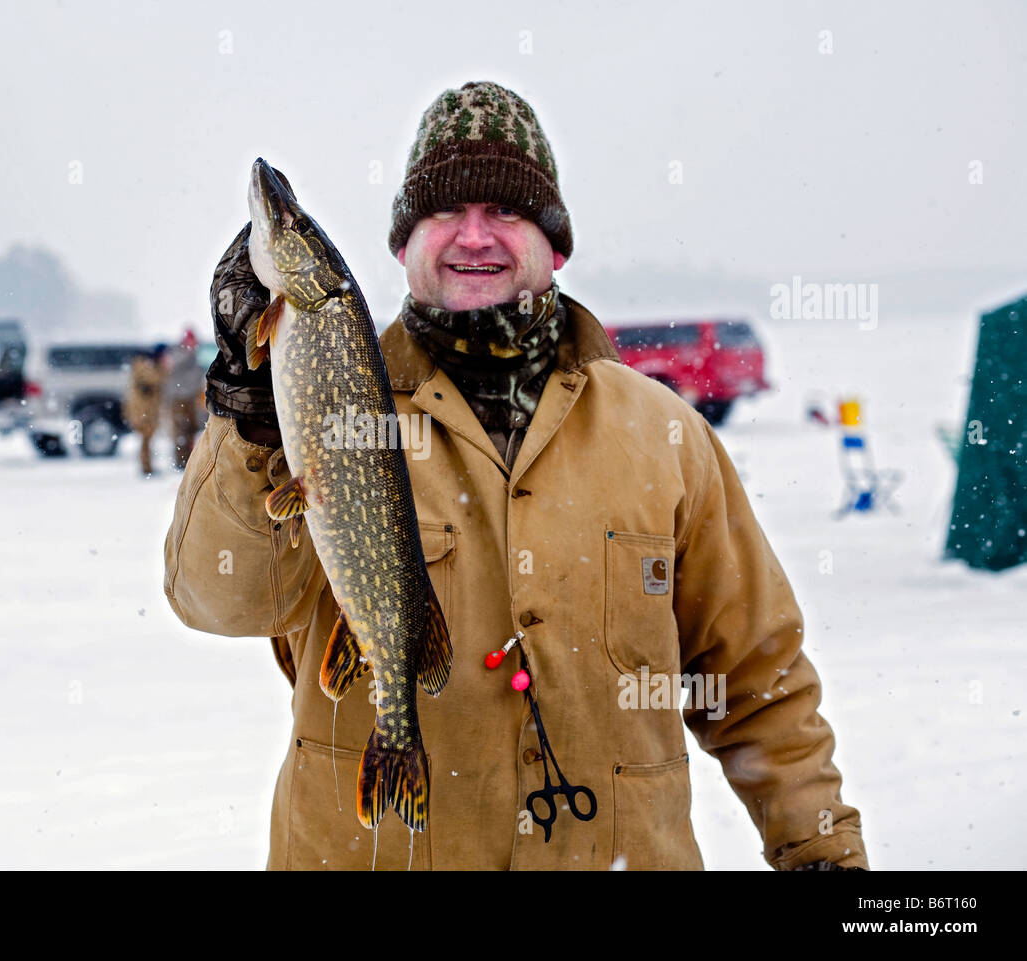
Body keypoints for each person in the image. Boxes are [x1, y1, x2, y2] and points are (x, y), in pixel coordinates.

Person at [164, 81, 868, 870]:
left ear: (554, 243)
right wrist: (253, 413)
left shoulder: (664, 433)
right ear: (403, 244)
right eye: (444, 211)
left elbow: (758, 677)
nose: (474, 235)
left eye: (504, 209)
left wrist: (821, 851)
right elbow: (216, 599)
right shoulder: (323, 413)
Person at [164, 328, 205, 470]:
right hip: (178, 399)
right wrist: (188, 353)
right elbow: (173, 367)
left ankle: (188, 459)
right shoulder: (177, 354)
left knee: (192, 429)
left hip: (191, 398)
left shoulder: (194, 356)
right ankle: (181, 461)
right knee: (181, 430)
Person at [123, 344, 166, 477]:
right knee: (145, 440)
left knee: (147, 440)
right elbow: (156, 379)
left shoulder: (141, 367)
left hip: (145, 411)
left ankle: (147, 466)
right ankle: (146, 467)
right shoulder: (143, 367)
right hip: (143, 412)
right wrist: (161, 368)